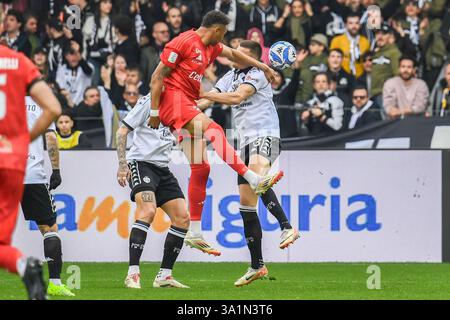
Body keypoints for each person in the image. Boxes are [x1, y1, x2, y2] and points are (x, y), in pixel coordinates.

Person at [146, 10, 283, 255]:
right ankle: (253, 178)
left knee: (201, 167)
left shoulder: (212, 47)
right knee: (215, 130)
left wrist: (263, 65)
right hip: (174, 102)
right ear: (217, 29)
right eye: (224, 33)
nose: (224, 39)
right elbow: (157, 76)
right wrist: (155, 112)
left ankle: (195, 232)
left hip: (186, 104)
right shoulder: (183, 42)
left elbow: (234, 53)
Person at [198, 40, 300, 286]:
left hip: (265, 136)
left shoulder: (259, 74)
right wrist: (182, 110)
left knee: (256, 176)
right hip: (243, 143)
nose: (234, 55)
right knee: (246, 206)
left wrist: (202, 92)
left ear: (251, 57)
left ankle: (287, 227)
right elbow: (208, 102)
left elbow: (236, 98)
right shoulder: (230, 75)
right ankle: (257, 266)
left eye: (240, 53)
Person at [0, 44, 61, 300]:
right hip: (19, 165)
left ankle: (26, 266)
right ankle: (51, 279)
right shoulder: (19, 62)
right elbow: (54, 110)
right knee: (49, 226)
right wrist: (22, 141)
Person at [116, 94, 190, 289]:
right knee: (148, 211)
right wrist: (123, 165)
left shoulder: (179, 101)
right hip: (141, 164)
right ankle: (132, 273)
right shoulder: (149, 101)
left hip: (163, 169)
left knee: (182, 218)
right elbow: (122, 131)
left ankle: (164, 276)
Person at [21, 98, 74, 297]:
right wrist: (56, 170)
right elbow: (51, 138)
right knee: (49, 228)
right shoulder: (40, 102)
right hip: (31, 174)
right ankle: (54, 283)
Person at [370, 22, 401, 109]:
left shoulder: (394, 52)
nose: (380, 37)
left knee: (387, 120)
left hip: (386, 95)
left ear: (390, 36)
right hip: (373, 94)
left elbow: (397, 74)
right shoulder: (376, 53)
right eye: (377, 34)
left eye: (384, 34)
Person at [329, 12, 370, 79]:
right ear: (346, 25)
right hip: (341, 77)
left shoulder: (365, 41)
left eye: (356, 23)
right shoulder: (336, 41)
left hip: (361, 77)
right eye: (350, 23)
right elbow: (331, 61)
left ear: (360, 25)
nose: (354, 26)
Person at [55, 40, 94, 105]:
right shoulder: (62, 69)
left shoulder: (88, 66)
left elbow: (88, 71)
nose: (75, 56)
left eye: (77, 53)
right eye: (72, 53)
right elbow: (60, 87)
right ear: (66, 56)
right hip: (67, 105)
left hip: (84, 105)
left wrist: (77, 52)